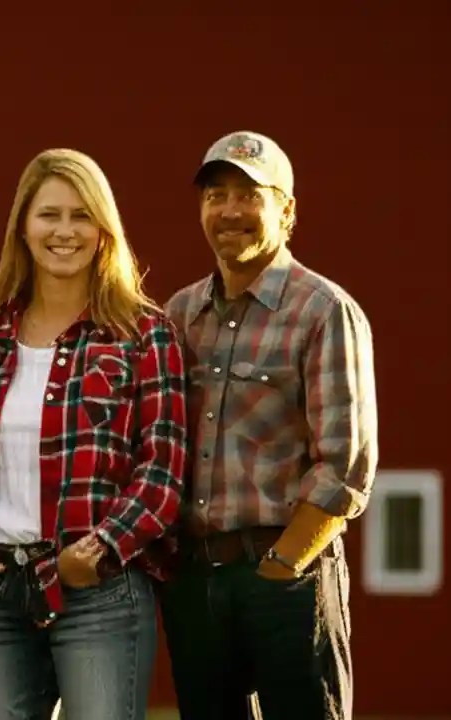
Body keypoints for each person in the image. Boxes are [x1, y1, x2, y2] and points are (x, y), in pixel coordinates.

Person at [0, 148, 188, 720]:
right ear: (24, 228)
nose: (65, 231)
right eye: (49, 215)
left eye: (81, 216)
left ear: (103, 230)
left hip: (99, 591)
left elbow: (162, 473)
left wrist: (101, 548)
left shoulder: (143, 335)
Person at [160, 130, 379, 720]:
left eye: (250, 195)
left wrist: (281, 568)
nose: (229, 210)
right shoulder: (180, 314)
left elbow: (345, 468)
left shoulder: (323, 310)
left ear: (287, 211)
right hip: (197, 582)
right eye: (216, 195)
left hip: (289, 575)